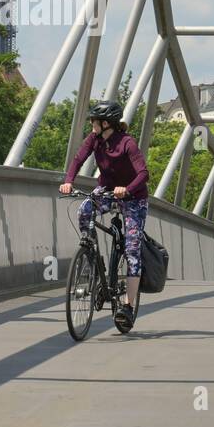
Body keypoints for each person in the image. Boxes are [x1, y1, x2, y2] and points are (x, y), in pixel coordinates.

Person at [59, 100, 149, 332]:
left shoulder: (127, 142)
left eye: (94, 121)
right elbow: (78, 159)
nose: (91, 124)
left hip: (133, 197)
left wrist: (127, 189)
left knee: (131, 249)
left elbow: (143, 173)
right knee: (84, 210)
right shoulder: (95, 140)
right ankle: (90, 254)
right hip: (108, 191)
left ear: (106, 123)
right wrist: (68, 181)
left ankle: (128, 306)